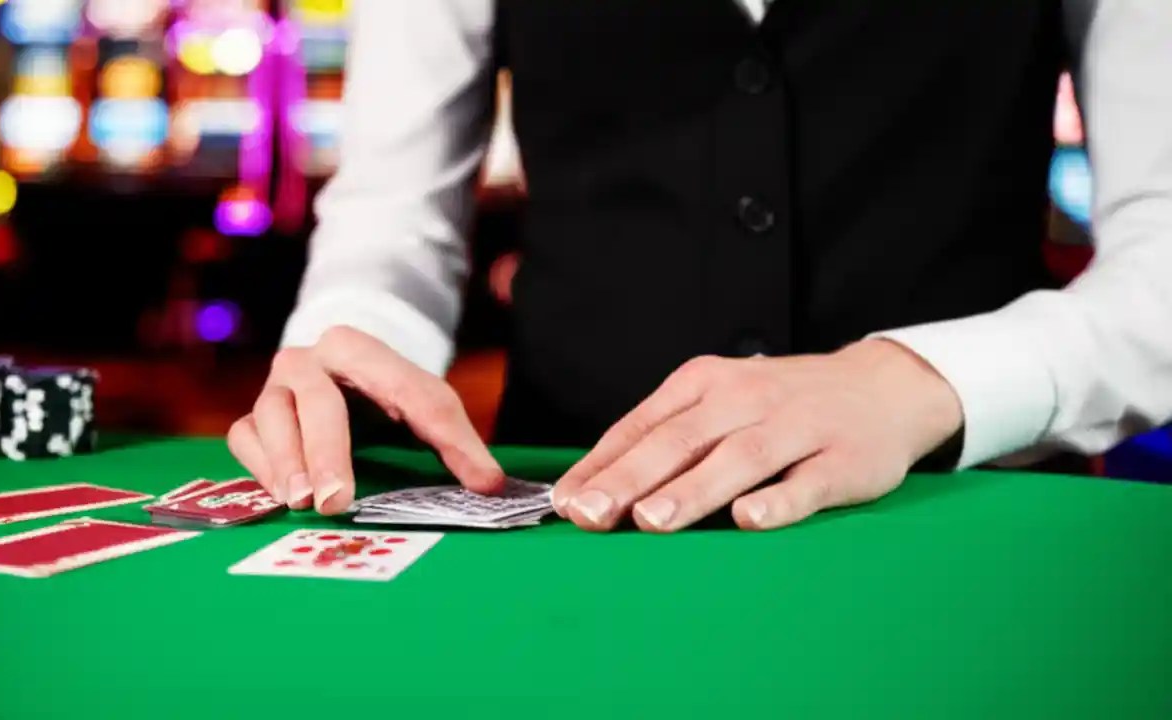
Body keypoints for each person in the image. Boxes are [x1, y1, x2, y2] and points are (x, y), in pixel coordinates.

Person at [228, 0, 1172, 533]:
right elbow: (392, 216)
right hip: (574, 520)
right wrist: (352, 351)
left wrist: (922, 382)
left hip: (976, 516)